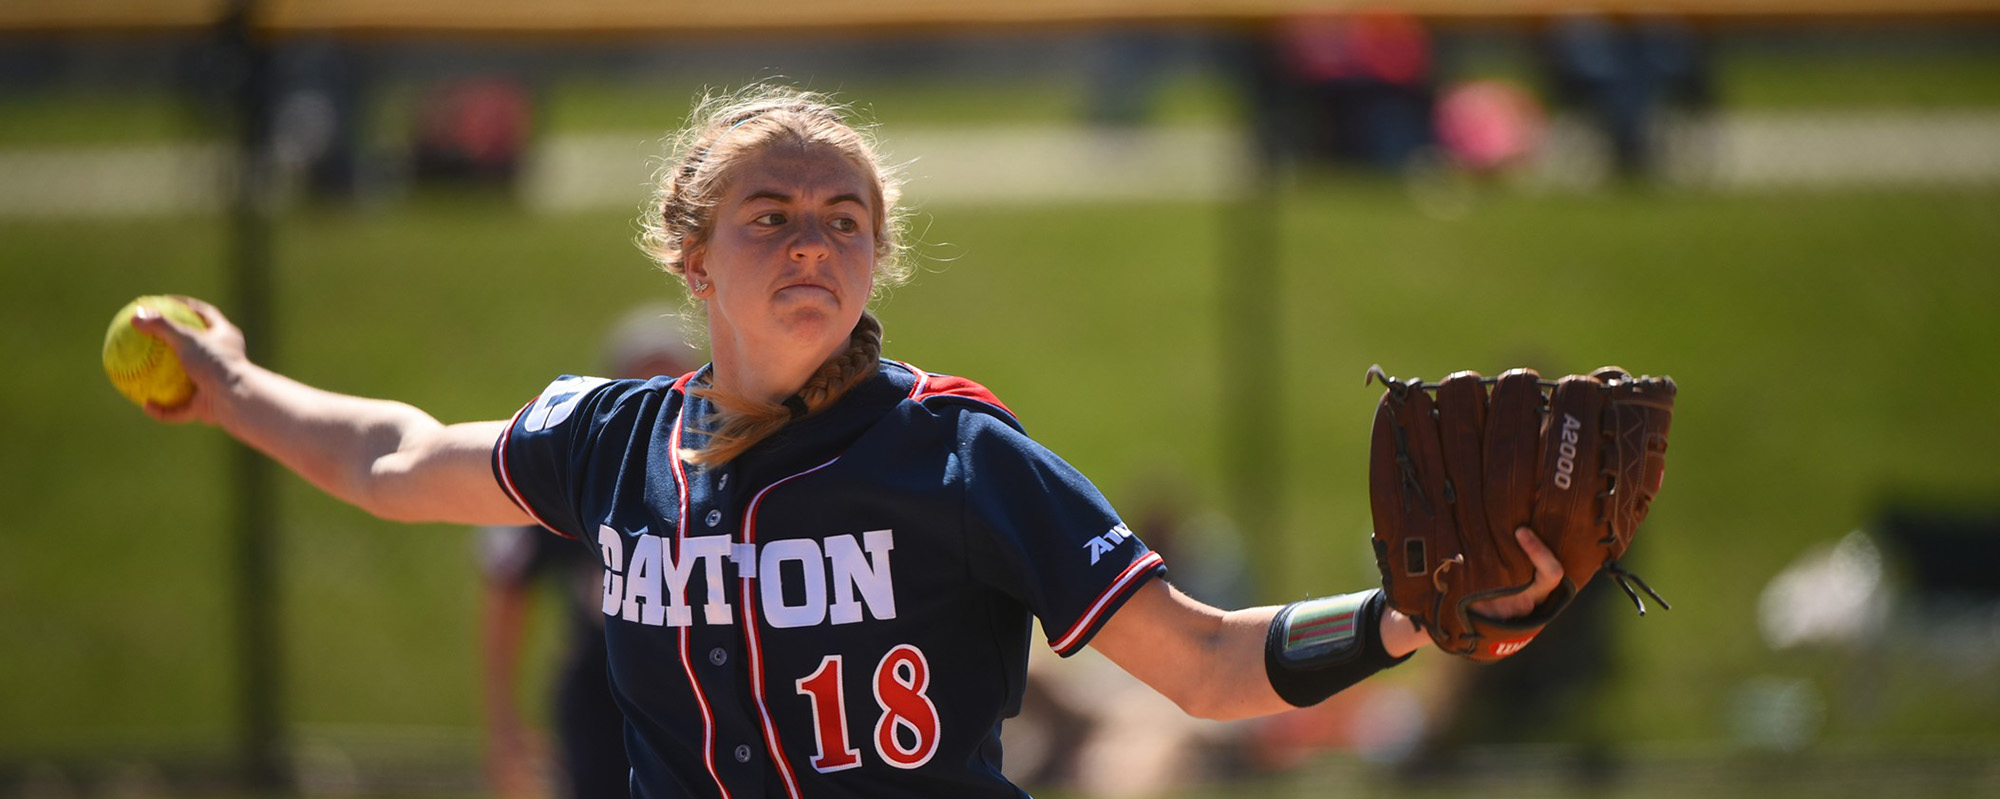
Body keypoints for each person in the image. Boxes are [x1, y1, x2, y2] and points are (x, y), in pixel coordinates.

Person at [130, 84, 1566, 799]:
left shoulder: (954, 453)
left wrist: (1410, 617)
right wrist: (234, 381)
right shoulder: (613, 439)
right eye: (771, 215)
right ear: (692, 259)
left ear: (878, 259)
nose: (812, 240)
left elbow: (1201, 658)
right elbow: (389, 457)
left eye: (843, 220)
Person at [480, 306, 699, 799]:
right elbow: (507, 581)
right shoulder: (588, 468)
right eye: (641, 384)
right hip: (603, 692)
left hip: (695, 688)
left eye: (673, 383)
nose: (657, 399)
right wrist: (502, 720)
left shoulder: (714, 477)